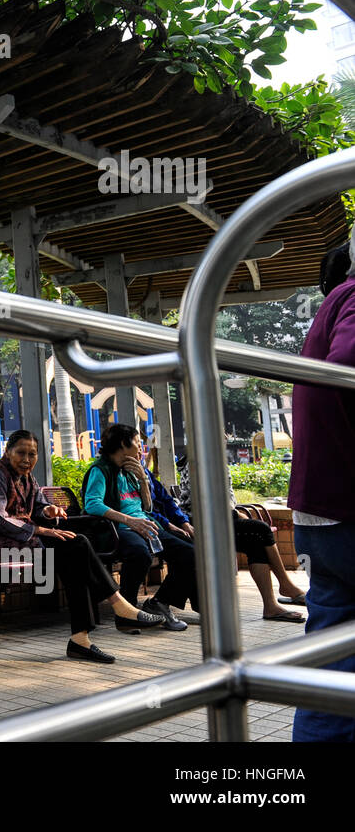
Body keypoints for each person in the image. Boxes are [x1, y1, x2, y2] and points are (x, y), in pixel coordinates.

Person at [0, 430, 163, 663]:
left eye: (32, 454)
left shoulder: (26, 477)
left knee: (76, 552)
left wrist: (48, 511)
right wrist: (40, 529)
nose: (26, 459)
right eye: (21, 453)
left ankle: (81, 639)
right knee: (78, 546)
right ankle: (119, 608)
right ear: (7, 451)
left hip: (27, 541)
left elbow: (38, 506)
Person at [287, 231, 355, 742]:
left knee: (334, 651)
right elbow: (345, 371)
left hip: (318, 509)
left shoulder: (333, 301)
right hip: (347, 506)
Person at [141, 442, 306, 622]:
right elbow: (203, 499)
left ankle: (271, 606)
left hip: (219, 518)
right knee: (261, 529)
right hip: (200, 522)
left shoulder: (214, 461)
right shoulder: (196, 463)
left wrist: (234, 512)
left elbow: (225, 496)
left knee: (256, 542)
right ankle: (286, 585)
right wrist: (232, 513)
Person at [82, 424, 198, 632]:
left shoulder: (131, 470)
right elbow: (92, 503)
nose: (140, 448)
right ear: (123, 444)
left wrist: (143, 481)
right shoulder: (100, 470)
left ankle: (160, 602)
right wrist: (129, 521)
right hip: (117, 530)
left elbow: (147, 507)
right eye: (136, 443)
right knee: (139, 553)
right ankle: (126, 613)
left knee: (189, 553)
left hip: (144, 525)